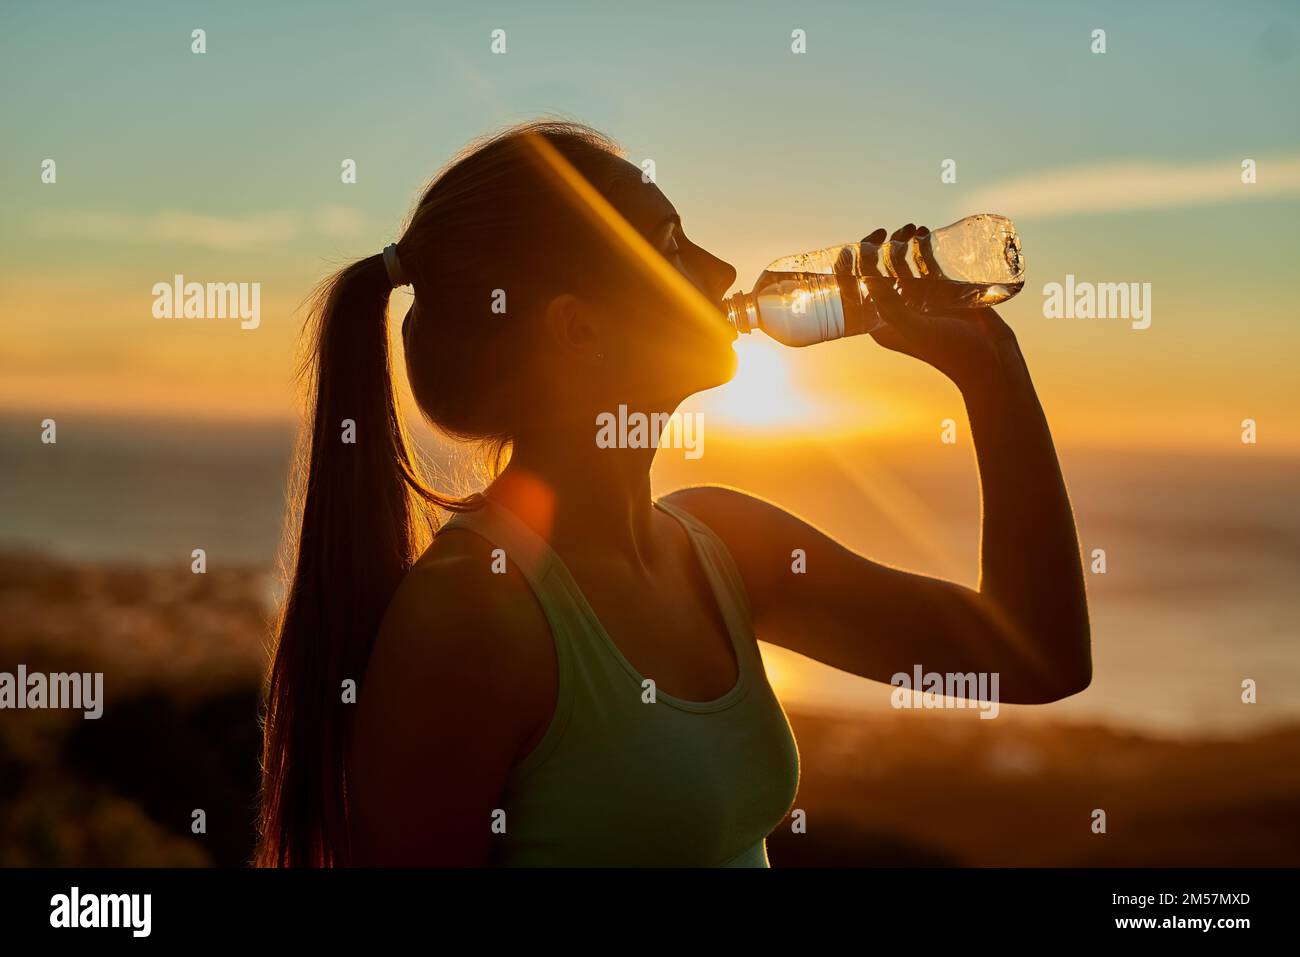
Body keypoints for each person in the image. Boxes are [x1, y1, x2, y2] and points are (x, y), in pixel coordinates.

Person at [255, 120, 1091, 867]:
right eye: (670, 244)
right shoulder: (471, 618)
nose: (722, 268)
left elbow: (1032, 658)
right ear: (579, 328)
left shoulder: (722, 546)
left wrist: (992, 370)